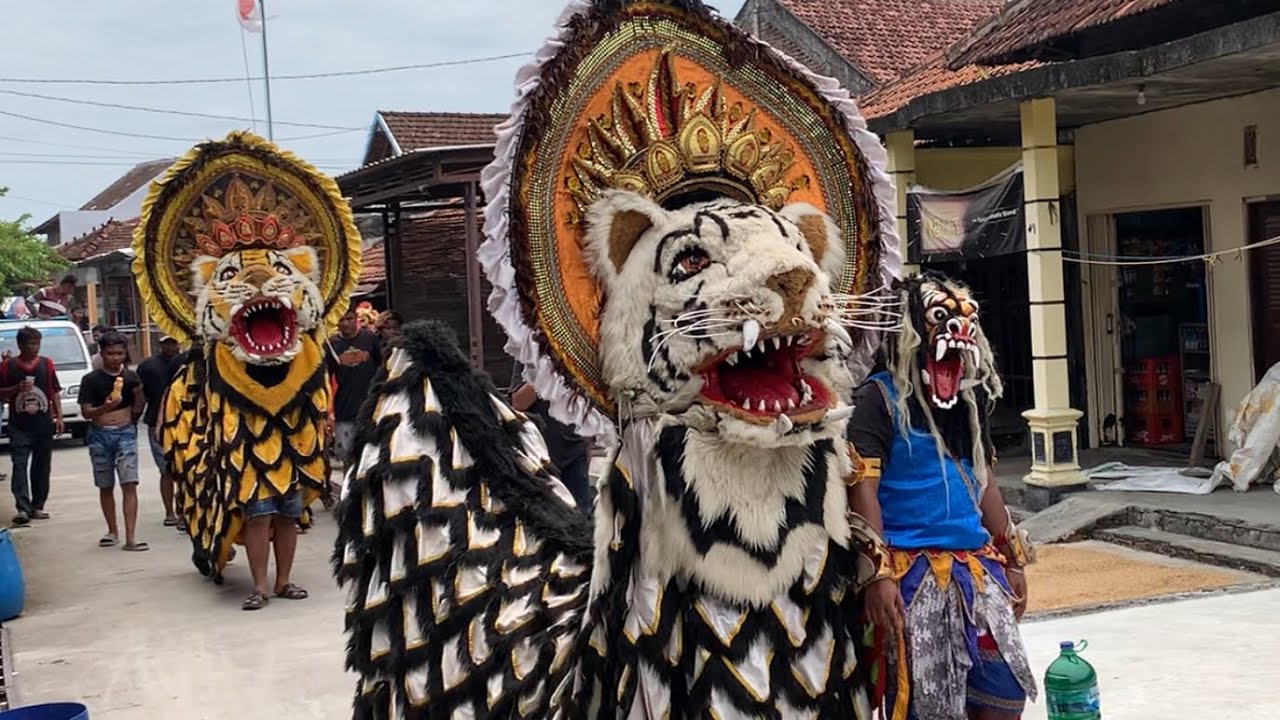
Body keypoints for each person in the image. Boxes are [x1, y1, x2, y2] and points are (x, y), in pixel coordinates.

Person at [846, 273, 1037, 720]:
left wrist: (1013, 559)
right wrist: (877, 576)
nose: (958, 328)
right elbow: (862, 489)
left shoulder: (970, 402)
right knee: (930, 708)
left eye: (967, 317)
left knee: (1005, 693)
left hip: (978, 572)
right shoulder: (876, 399)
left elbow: (985, 483)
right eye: (939, 316)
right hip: (910, 577)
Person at [78, 331, 147, 551]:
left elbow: (139, 402)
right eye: (110, 353)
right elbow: (86, 413)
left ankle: (131, 536)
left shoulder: (131, 378)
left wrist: (131, 418)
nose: (115, 358)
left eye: (119, 353)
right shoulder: (91, 380)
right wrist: (105, 408)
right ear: (102, 354)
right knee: (105, 485)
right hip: (99, 434)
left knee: (129, 483)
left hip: (125, 433)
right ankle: (112, 530)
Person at [0, 327, 63, 525]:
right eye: (30, 344)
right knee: (19, 464)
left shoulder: (46, 364)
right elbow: (1, 393)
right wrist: (15, 389)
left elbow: (54, 392)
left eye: (37, 343)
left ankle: (38, 505)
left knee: (41, 466)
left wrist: (59, 417)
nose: (34, 348)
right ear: (20, 345)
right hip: (19, 425)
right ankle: (22, 507)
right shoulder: (8, 366)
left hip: (43, 424)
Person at [511, 382, 592, 512]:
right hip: (541, 458)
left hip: (575, 453)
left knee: (582, 514)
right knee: (546, 515)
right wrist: (543, 375)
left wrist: (588, 443)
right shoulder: (531, 368)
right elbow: (518, 404)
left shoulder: (577, 368)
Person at [137, 334, 184, 528]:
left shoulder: (187, 363)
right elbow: (140, 394)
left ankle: (183, 512)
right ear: (160, 344)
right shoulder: (148, 366)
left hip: (185, 423)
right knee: (166, 470)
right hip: (158, 424)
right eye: (167, 343)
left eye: (173, 343)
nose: (170, 347)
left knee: (184, 470)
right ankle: (170, 512)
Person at [326, 308, 381, 469]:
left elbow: (382, 367)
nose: (345, 323)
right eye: (341, 319)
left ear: (356, 318)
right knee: (347, 459)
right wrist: (328, 412)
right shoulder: (331, 345)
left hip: (371, 409)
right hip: (344, 410)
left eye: (349, 319)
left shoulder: (370, 338)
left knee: (372, 456)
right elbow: (326, 378)